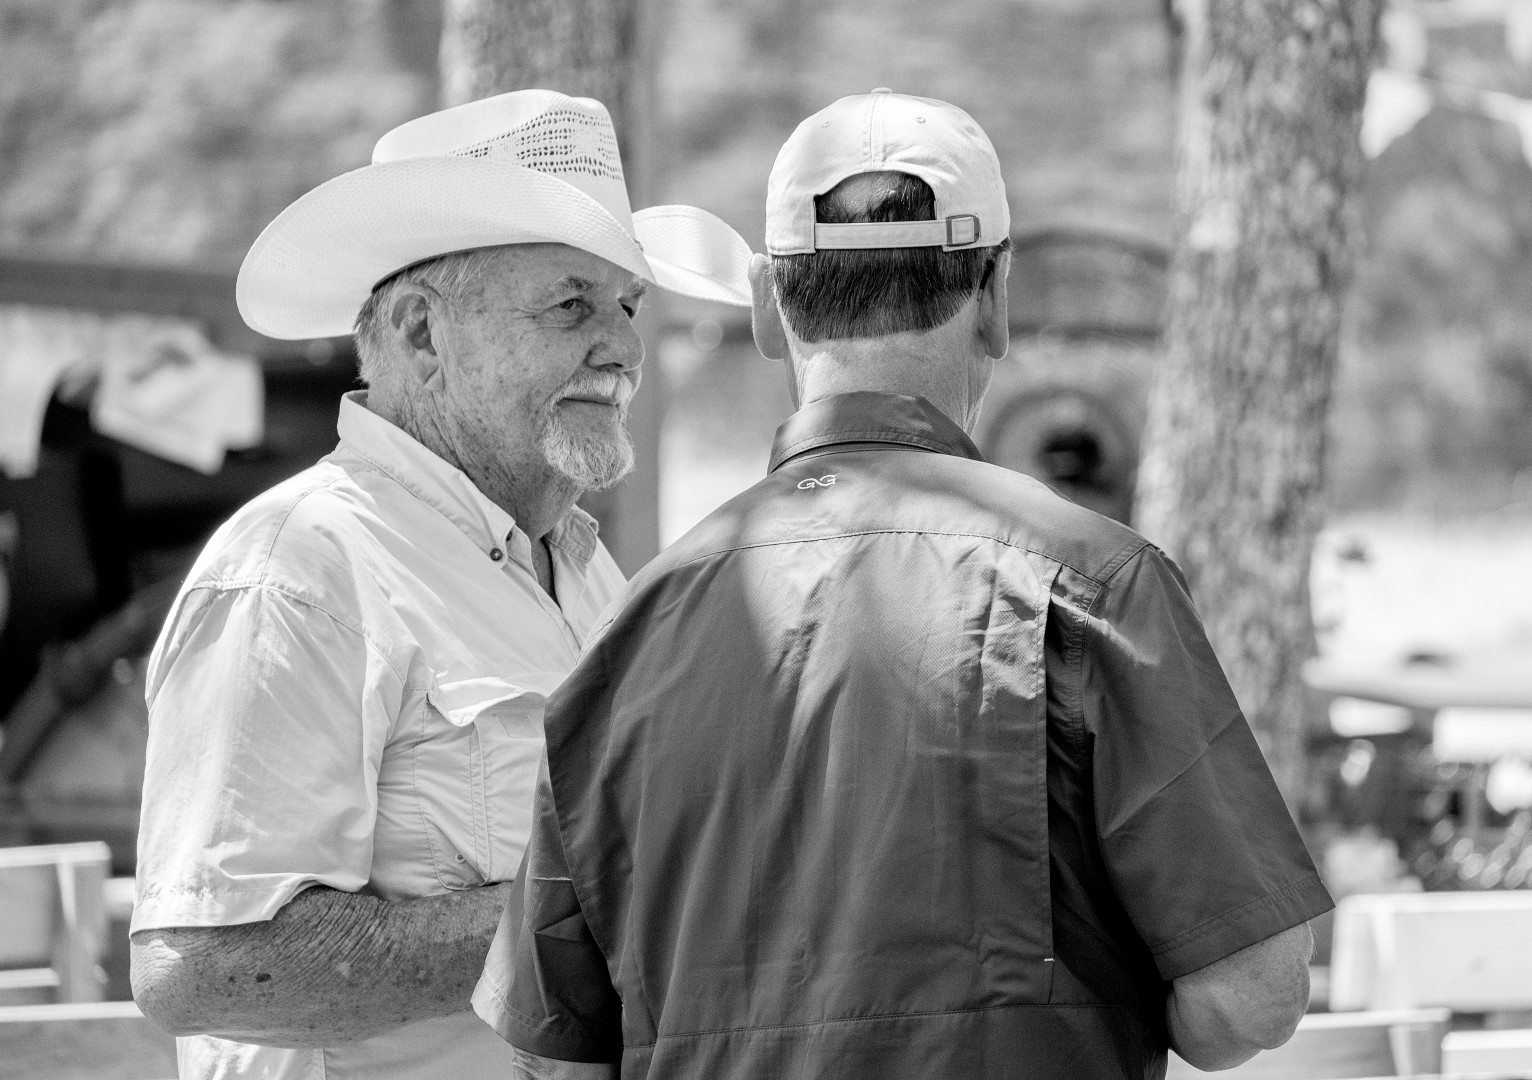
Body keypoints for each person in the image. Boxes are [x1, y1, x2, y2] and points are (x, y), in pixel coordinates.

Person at [474, 89, 1334, 1080]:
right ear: (998, 299)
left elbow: (555, 1058)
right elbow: (1251, 993)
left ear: (764, 306)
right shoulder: (1092, 582)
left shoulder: (627, 633)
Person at [128, 89, 749, 1080]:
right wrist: (589, 913)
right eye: (571, 305)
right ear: (422, 334)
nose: (625, 347)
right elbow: (203, 970)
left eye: (626, 306)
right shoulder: (301, 568)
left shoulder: (582, 566)